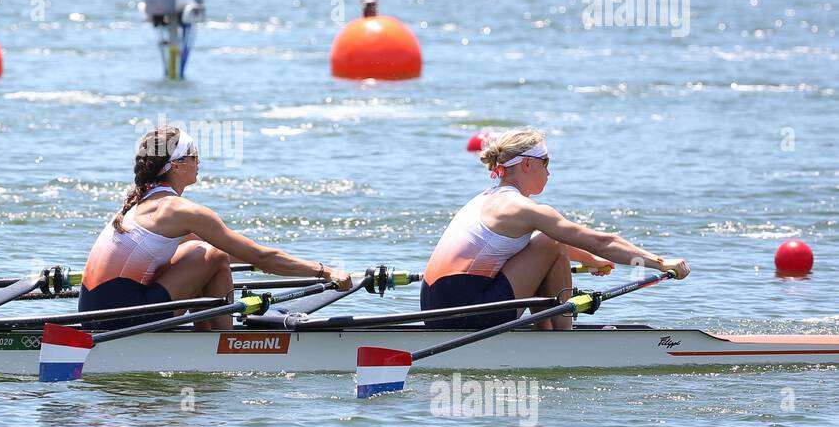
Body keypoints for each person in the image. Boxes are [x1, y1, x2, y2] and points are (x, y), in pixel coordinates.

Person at [79, 126, 353, 330]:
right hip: (120, 321)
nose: (199, 162)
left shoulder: (140, 206)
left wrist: (285, 263)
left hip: (92, 313)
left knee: (206, 252)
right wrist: (324, 271)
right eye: (194, 156)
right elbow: (260, 258)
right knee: (213, 255)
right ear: (175, 165)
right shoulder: (179, 210)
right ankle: (225, 345)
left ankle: (212, 338)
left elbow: (247, 255)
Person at [420, 129, 690, 331]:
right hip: (466, 310)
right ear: (527, 163)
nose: (549, 172)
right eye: (545, 162)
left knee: (549, 242)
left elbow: (540, 245)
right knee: (551, 242)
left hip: (434, 306)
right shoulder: (521, 208)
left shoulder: (486, 199)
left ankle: (548, 333)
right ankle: (563, 337)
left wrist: (589, 260)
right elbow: (602, 242)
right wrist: (661, 262)